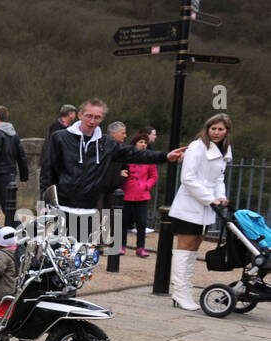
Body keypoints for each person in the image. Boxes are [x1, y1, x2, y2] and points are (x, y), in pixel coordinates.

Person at [39, 99, 183, 250]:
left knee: (79, 259)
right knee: (52, 255)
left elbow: (133, 153)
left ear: (102, 119)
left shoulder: (106, 142)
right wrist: (45, 202)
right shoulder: (60, 137)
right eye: (89, 116)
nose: (92, 121)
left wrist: (165, 157)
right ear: (80, 115)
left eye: (97, 117)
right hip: (60, 206)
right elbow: (47, 171)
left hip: (87, 209)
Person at [167, 113, 232, 310]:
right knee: (184, 249)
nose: (216, 132)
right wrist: (209, 198)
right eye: (213, 128)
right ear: (207, 129)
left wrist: (220, 196)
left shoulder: (225, 150)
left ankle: (185, 291)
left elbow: (219, 178)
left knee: (194, 249)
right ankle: (179, 292)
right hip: (189, 205)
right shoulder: (197, 147)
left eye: (220, 129)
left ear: (226, 131)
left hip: (207, 208)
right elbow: (187, 178)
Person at [0, 106, 29, 226]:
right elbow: (21, 156)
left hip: (0, 174)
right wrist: (24, 176)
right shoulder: (14, 134)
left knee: (7, 208)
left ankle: (21, 232)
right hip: (10, 173)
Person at [122, 131, 158, 258]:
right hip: (126, 191)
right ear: (135, 143)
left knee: (142, 222)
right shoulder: (127, 156)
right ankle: (122, 245)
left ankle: (140, 247)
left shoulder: (150, 159)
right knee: (124, 221)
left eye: (145, 142)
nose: (143, 144)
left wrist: (147, 185)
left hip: (142, 194)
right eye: (140, 142)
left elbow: (154, 176)